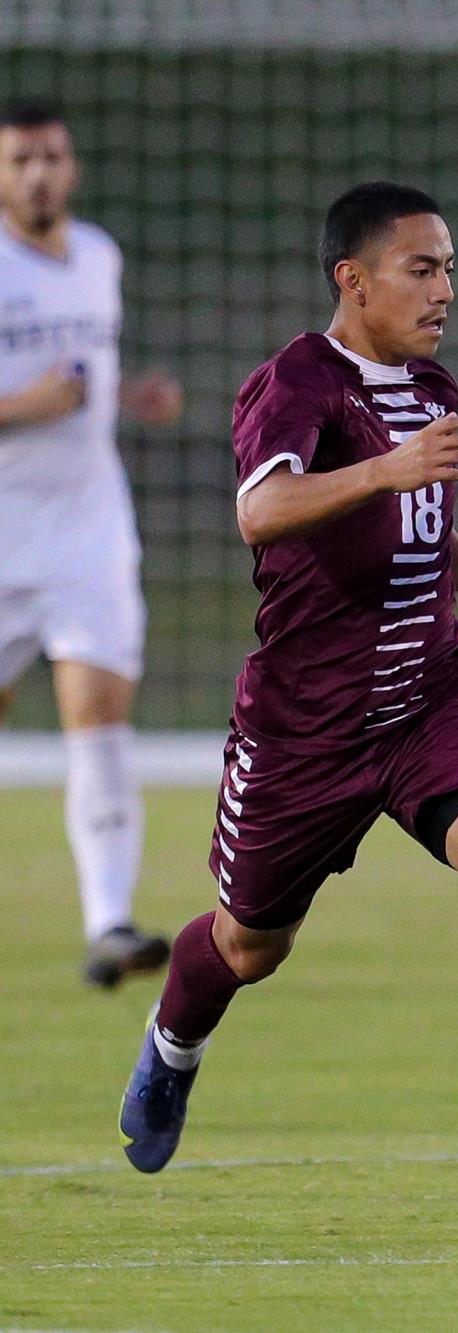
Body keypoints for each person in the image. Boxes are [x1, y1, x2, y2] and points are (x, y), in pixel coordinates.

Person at [117, 182, 458, 1189]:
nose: (445, 289)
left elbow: (422, 514)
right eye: (421, 268)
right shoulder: (295, 381)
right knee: (250, 943)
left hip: (427, 695)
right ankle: (172, 1047)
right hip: (305, 727)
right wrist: (384, 470)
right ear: (353, 280)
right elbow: (263, 512)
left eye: (450, 268)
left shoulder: (429, 385)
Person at [0, 99, 183, 988]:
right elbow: (38, 396)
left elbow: (81, 386)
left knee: (101, 719)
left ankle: (111, 922)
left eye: (52, 156)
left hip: (87, 535)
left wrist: (129, 398)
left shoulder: (99, 257)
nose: (39, 172)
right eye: (21, 158)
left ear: (71, 167)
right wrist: (23, 408)